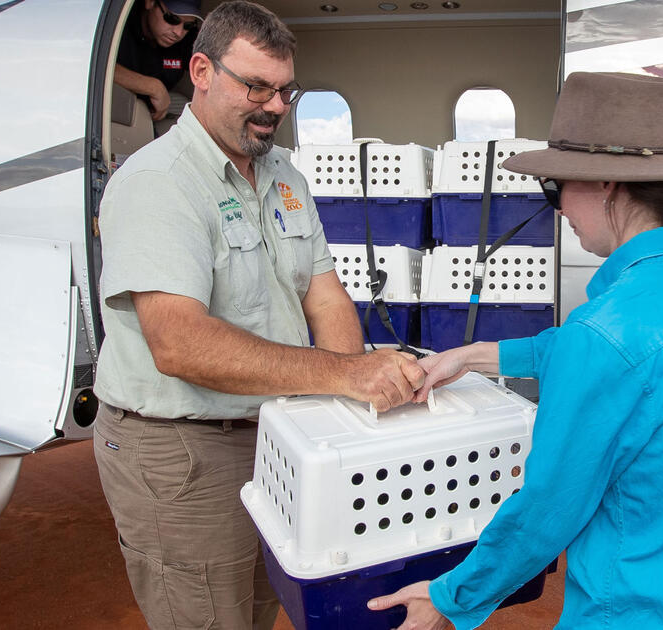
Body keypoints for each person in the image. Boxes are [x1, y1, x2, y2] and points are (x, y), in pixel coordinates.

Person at [368, 72, 663, 628]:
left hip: (637, 612)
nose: (558, 207)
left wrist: (450, 598)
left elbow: (547, 510)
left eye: (556, 186)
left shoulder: (606, 333)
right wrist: (470, 356)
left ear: (607, 184)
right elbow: (627, 361)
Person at [93, 2, 425, 629]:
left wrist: (347, 400)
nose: (275, 106)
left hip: (275, 435)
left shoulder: (284, 173)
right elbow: (179, 343)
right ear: (201, 72)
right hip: (184, 449)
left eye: (285, 91)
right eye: (256, 87)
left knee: (265, 600)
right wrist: (346, 375)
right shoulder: (158, 182)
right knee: (209, 616)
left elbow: (324, 296)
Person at [114, 0, 202, 128]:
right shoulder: (117, 28)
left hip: (159, 114)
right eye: (172, 19)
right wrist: (152, 87)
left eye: (188, 25)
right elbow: (97, 69)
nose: (178, 32)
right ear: (150, 2)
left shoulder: (189, 40)